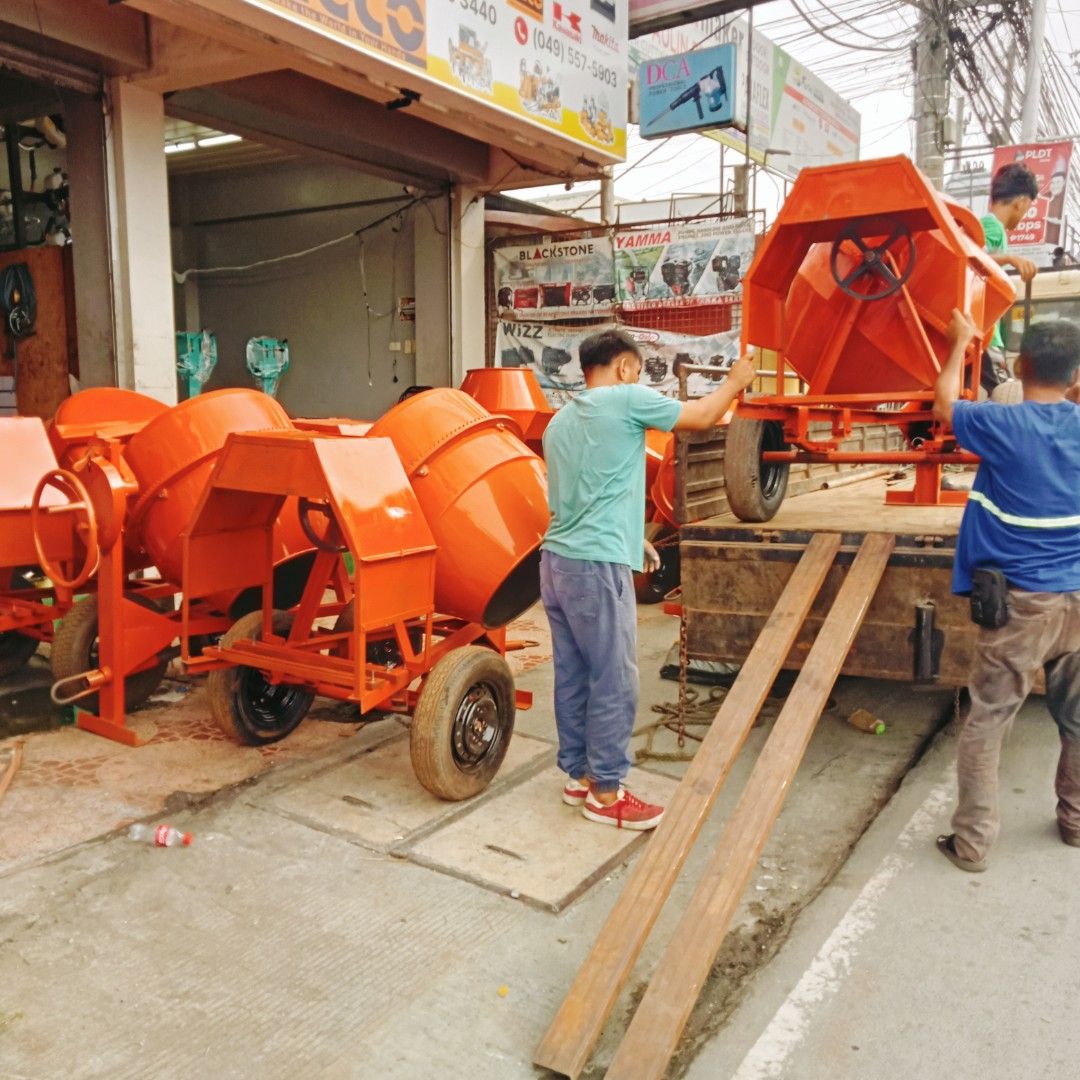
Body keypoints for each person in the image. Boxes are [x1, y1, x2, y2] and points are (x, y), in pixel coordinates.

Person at [540, 330, 757, 829]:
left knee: (574, 675)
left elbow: (582, 493)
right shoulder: (626, 399)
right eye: (637, 370)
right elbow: (701, 418)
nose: (639, 379)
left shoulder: (560, 421)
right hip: (595, 567)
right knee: (614, 678)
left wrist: (632, 536)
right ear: (622, 367)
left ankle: (579, 778)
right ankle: (608, 792)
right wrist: (735, 381)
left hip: (556, 563)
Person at [932, 310, 1080, 871]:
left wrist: (958, 345)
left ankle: (971, 844)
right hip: (1078, 596)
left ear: (1019, 366)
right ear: (1074, 375)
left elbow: (945, 405)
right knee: (1078, 719)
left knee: (988, 721)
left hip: (1023, 605)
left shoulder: (1004, 426)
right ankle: (1075, 823)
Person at [980, 163, 1040, 389]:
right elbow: (972, 258)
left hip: (987, 334)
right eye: (1028, 208)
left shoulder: (994, 228)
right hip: (985, 336)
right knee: (1005, 398)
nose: (1025, 215)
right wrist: (1010, 259)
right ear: (1022, 202)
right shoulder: (991, 226)